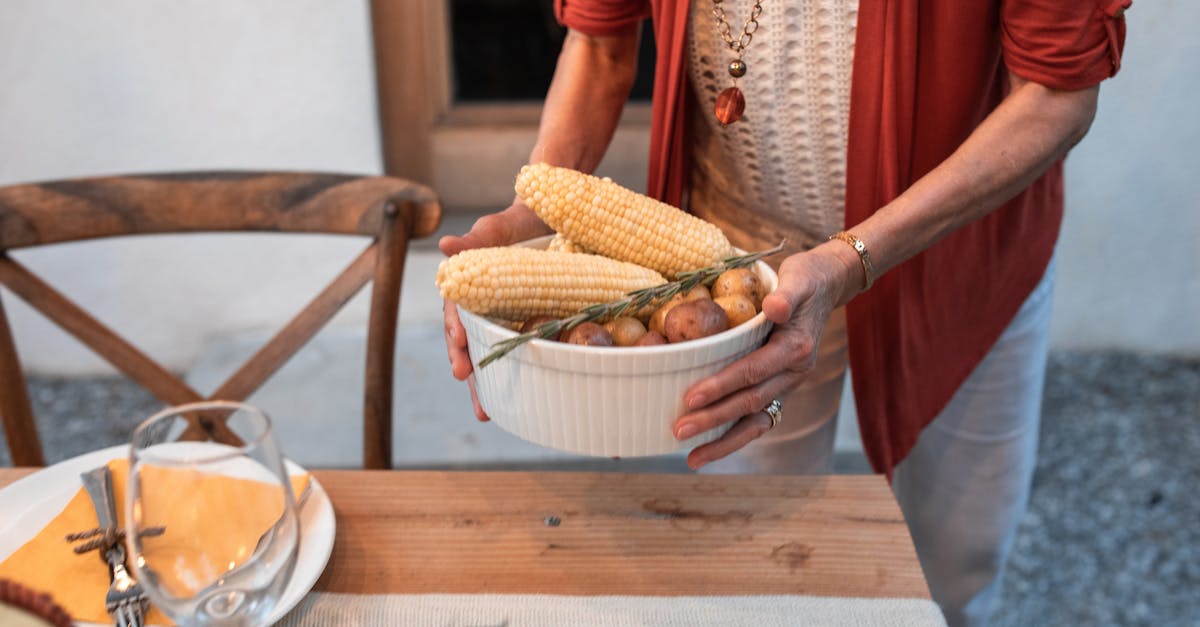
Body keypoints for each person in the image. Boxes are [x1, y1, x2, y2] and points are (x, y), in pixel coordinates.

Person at [440, 1, 1129, 625]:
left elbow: (1055, 95)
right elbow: (600, 46)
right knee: (747, 549)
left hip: (960, 252)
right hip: (739, 272)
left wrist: (848, 258)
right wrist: (538, 209)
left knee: (956, 553)